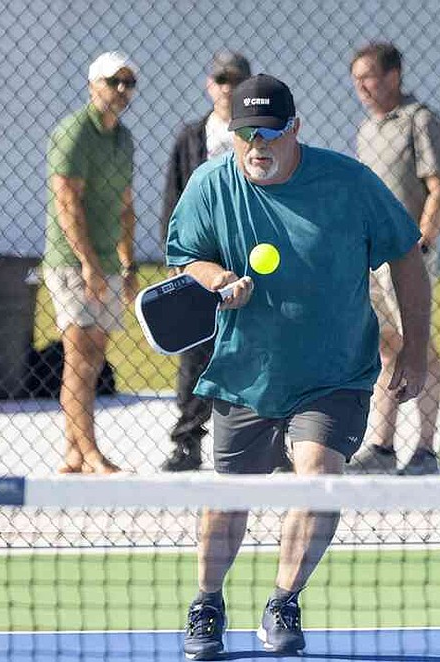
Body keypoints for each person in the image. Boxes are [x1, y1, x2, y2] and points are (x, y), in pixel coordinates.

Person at [165, 74, 431, 658]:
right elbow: (187, 258)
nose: (257, 145)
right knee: (230, 496)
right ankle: (207, 601)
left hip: (333, 373)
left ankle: (284, 599)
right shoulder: (212, 184)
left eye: (269, 132)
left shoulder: (349, 183)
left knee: (319, 479)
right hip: (247, 372)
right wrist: (216, 280)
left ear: (295, 129)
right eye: (245, 134)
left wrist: (414, 349)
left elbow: (407, 254)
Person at [349, 42, 440, 475]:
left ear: (394, 75)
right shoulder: (368, 128)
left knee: (418, 345)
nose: (362, 87)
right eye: (356, 79)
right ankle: (383, 446)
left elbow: (439, 189)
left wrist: (421, 243)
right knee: (387, 348)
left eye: (369, 76)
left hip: (407, 257)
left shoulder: (419, 122)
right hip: (371, 257)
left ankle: (426, 449)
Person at [42, 51, 139, 474]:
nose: (121, 90)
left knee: (94, 355)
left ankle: (74, 452)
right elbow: (67, 203)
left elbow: (124, 207)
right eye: (112, 81)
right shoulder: (74, 132)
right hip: (72, 261)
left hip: (104, 263)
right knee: (80, 354)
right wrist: (88, 264)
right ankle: (91, 452)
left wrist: (127, 264)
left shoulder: (124, 138)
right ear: (92, 85)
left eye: (128, 82)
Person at [159, 50, 251, 472]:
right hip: (201, 254)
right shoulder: (192, 137)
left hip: (248, 252)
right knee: (197, 349)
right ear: (209, 84)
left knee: (257, 345)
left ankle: (265, 435)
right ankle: (188, 440)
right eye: (221, 79)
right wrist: (177, 256)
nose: (228, 87)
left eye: (236, 80)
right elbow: (173, 200)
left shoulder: (258, 135)